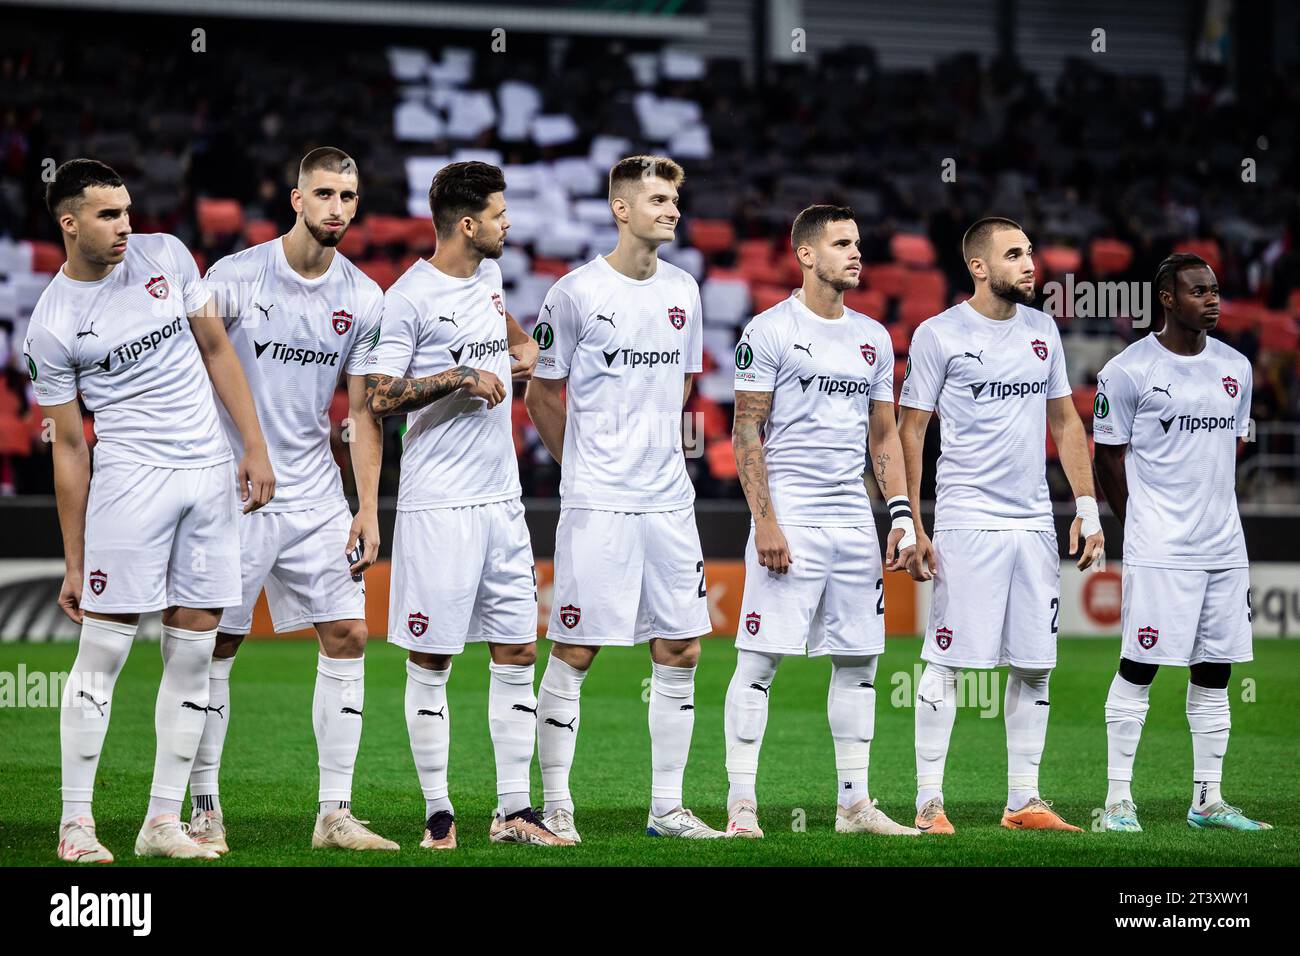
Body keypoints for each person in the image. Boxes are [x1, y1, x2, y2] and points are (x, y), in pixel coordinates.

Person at [27, 159, 274, 862]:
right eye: (108, 215)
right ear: (68, 222)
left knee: (194, 655)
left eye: (128, 210)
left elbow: (216, 346)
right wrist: (75, 560)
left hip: (208, 478)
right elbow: (70, 448)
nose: (125, 226)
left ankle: (162, 821)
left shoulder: (166, 254)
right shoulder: (52, 324)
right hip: (130, 483)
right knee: (102, 652)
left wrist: (253, 448)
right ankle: (76, 825)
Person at [191, 147, 395, 853]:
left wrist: (367, 506)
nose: (339, 206)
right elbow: (198, 373)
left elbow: (365, 412)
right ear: (297, 199)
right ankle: (203, 807)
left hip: (315, 493)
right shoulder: (236, 277)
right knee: (216, 643)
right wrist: (242, 450)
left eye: (350, 195)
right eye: (326, 193)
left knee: (349, 634)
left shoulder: (364, 297)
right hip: (236, 488)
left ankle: (334, 813)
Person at [366, 161, 564, 849]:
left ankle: (514, 810)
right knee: (433, 660)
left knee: (516, 650)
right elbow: (379, 398)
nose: (510, 224)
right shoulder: (407, 299)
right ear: (468, 223)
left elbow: (513, 341)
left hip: (501, 501)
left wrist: (523, 354)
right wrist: (457, 377)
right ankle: (438, 814)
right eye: (501, 214)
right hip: (439, 505)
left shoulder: (488, 279)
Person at [526, 155, 721, 841]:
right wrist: (583, 467)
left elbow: (683, 392)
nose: (672, 209)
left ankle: (666, 809)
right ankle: (555, 807)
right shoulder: (574, 293)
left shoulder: (685, 291)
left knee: (681, 650)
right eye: (659, 199)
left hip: (669, 502)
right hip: (599, 502)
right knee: (577, 649)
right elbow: (541, 391)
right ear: (621, 208)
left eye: (676, 198)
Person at [897, 217, 1103, 834]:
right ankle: (929, 801)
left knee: (1035, 663)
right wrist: (912, 521)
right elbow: (912, 429)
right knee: (948, 660)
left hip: (1034, 521)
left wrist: (1087, 510)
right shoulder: (940, 335)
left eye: (1031, 252)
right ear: (979, 267)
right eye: (1015, 254)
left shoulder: (1043, 331)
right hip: (966, 519)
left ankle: (1024, 800)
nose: (1030, 263)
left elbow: (1066, 424)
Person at [724, 205, 919, 838]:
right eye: (841, 244)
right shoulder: (770, 329)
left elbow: (883, 436)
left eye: (858, 243)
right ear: (806, 254)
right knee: (760, 662)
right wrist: (766, 521)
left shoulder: (871, 336)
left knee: (859, 662)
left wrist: (899, 518)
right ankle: (741, 806)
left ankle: (853, 805)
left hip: (853, 522)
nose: (856, 254)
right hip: (794, 514)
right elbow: (746, 428)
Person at [1093, 253, 1270, 832]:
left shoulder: (1236, 368)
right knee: (1139, 668)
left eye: (1216, 289)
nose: (1213, 299)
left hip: (1223, 548)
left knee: (1213, 672)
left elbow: (1231, 447)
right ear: (1167, 298)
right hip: (1160, 550)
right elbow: (1107, 457)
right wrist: (1140, 520)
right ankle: (1118, 800)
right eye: (1199, 291)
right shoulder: (1128, 370)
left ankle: (1207, 800)